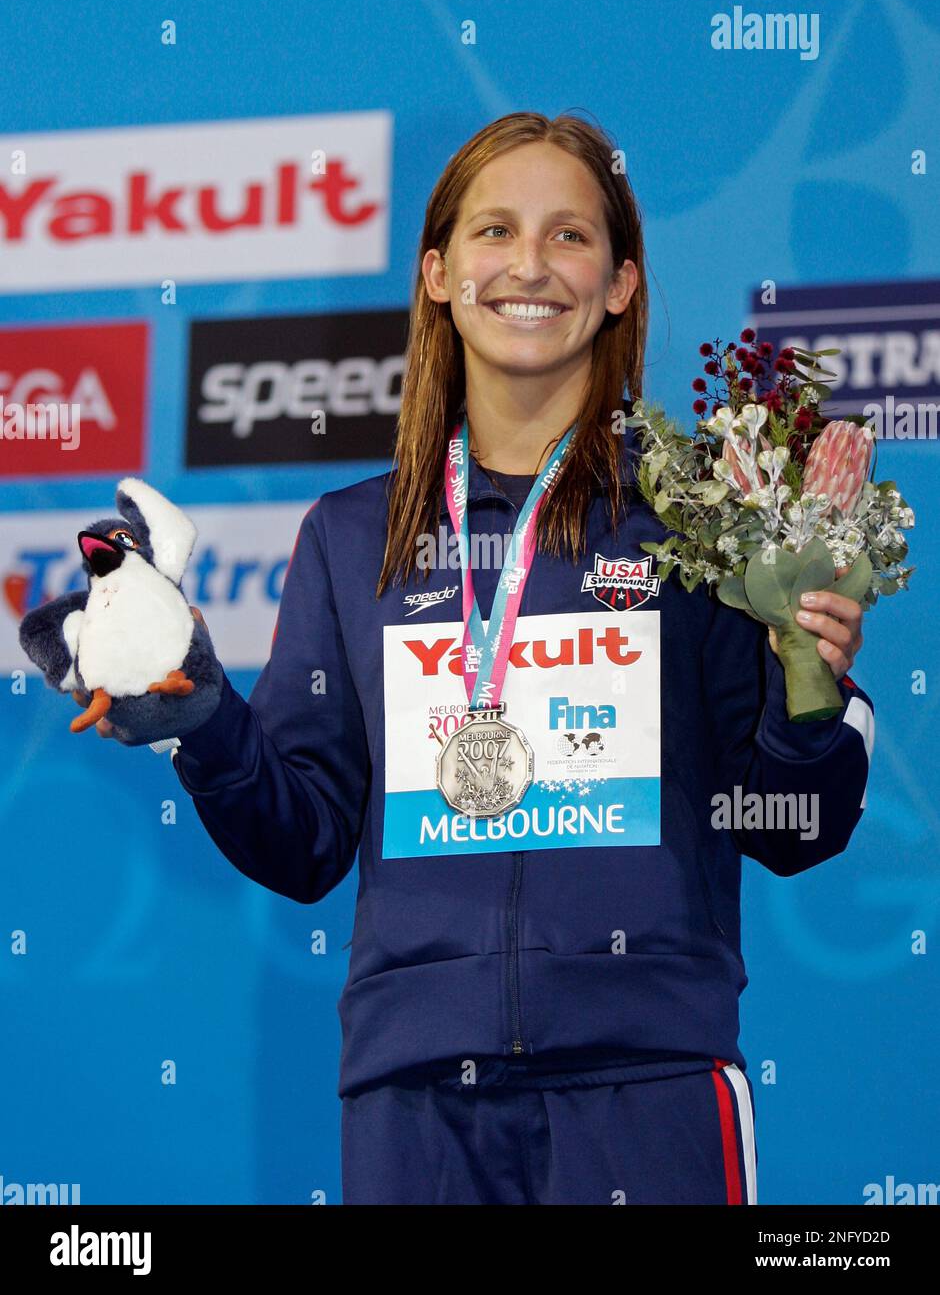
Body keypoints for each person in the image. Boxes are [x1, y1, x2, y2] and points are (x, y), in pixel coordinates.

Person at [93, 112, 874, 1205]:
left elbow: (793, 828)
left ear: (618, 282)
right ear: (437, 272)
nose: (529, 265)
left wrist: (805, 681)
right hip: (414, 1099)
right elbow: (306, 838)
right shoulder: (350, 537)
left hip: (644, 1079)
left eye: (569, 237)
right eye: (495, 230)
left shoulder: (703, 523)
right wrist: (201, 715)